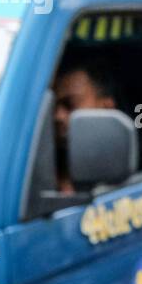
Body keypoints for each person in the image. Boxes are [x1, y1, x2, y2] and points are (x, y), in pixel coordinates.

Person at [52, 54, 118, 194]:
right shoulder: (35, 168)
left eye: (70, 104)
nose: (57, 116)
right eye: (52, 107)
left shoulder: (128, 173)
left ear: (107, 108)